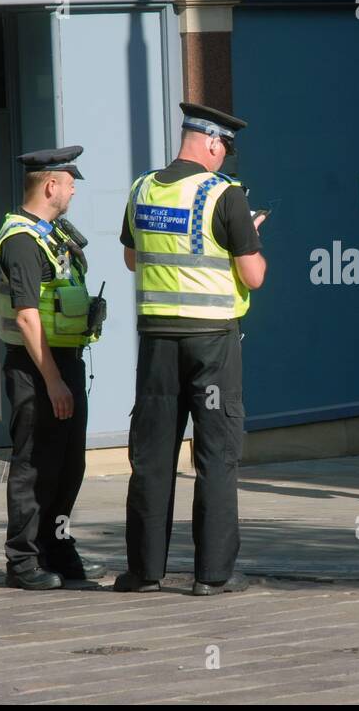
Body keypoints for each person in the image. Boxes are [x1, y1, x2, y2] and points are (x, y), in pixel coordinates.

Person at [114, 102, 267, 596]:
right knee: (216, 454)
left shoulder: (142, 188)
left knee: (153, 455)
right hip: (212, 344)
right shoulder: (226, 195)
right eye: (224, 149)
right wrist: (250, 240)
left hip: (157, 341)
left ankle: (144, 572)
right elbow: (253, 276)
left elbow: (132, 258)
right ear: (212, 144)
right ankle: (212, 575)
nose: (224, 159)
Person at [0, 146, 107, 590]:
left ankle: (57, 547)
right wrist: (54, 381)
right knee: (35, 464)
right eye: (70, 184)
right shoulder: (20, 240)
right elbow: (26, 316)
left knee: (68, 464)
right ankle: (23, 562)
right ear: (50, 185)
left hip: (64, 361)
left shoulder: (51, 233)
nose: (74, 192)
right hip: (35, 368)